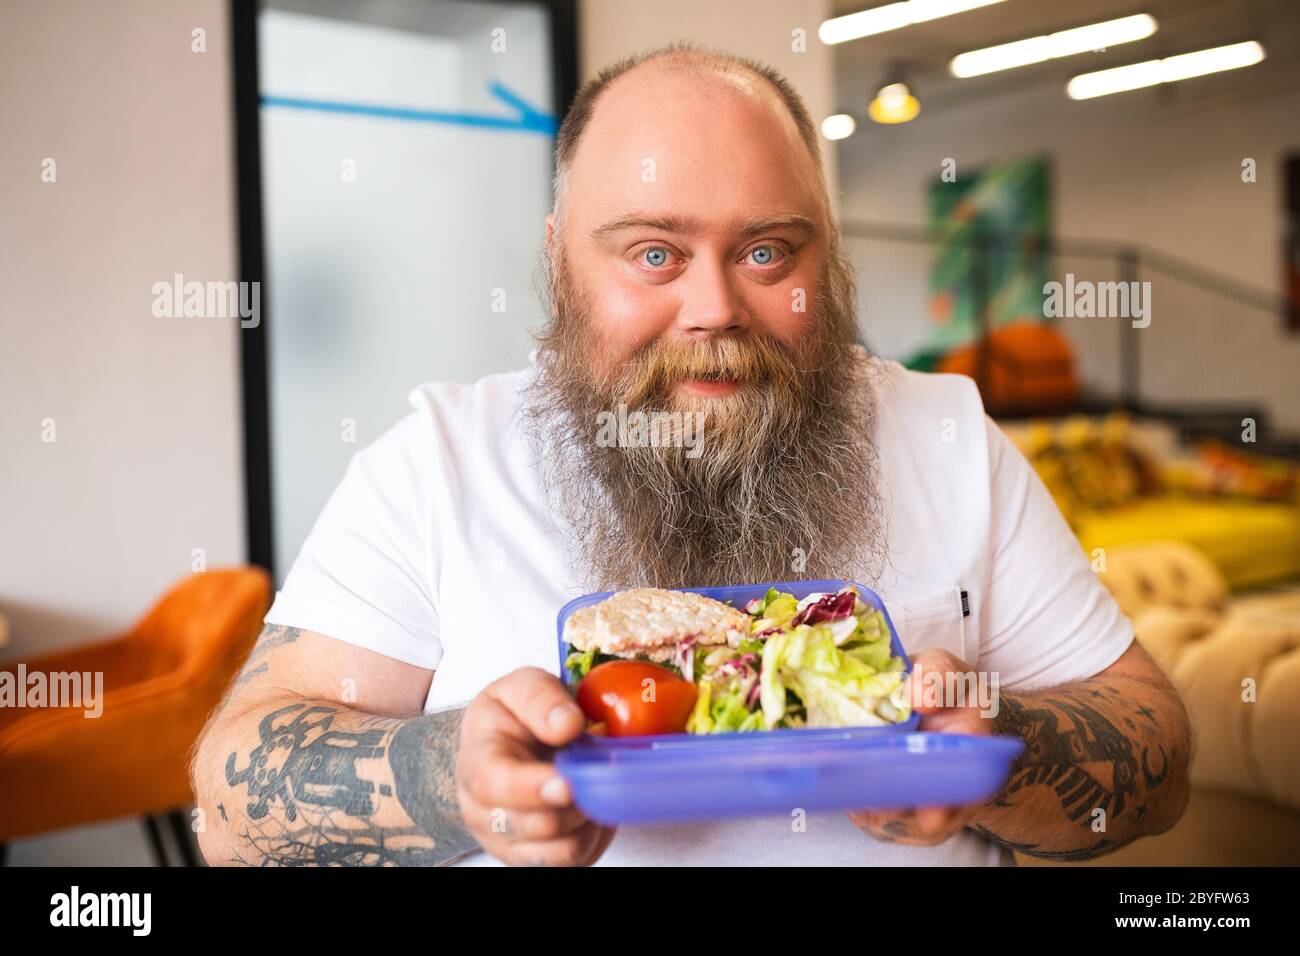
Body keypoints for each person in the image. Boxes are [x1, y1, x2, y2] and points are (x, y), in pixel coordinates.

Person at [191, 43, 1190, 866]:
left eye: (766, 251)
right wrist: (456, 778)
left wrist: (998, 754)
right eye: (654, 254)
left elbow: (1158, 753)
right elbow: (230, 811)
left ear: (824, 257)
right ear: (556, 258)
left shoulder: (947, 434)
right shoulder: (437, 464)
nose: (713, 309)